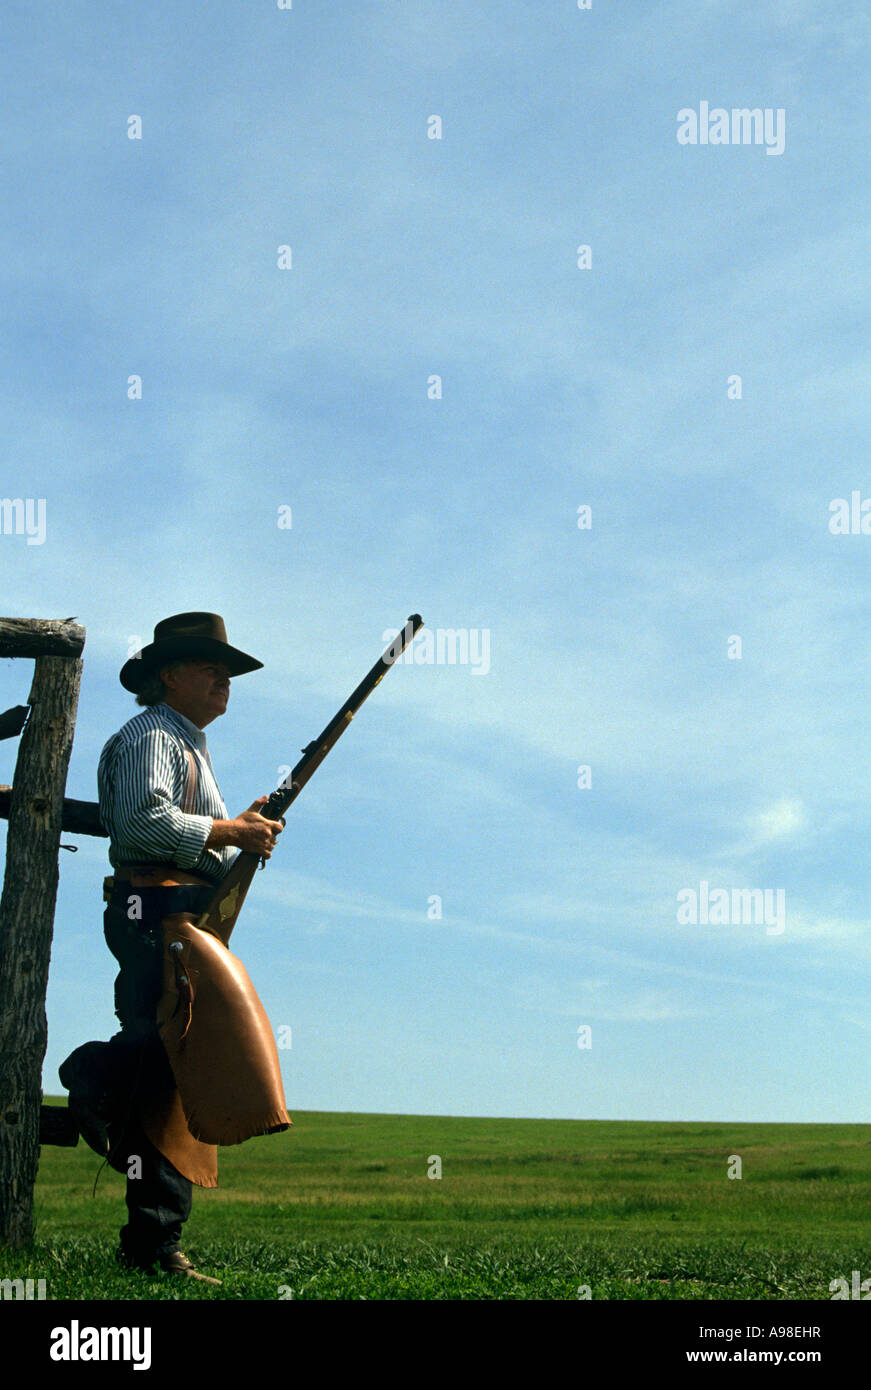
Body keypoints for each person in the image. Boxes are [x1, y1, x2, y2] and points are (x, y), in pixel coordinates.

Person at [59, 612, 284, 1283]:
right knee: (165, 1062)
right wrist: (229, 831)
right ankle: (94, 1076)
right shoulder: (149, 735)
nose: (223, 680)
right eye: (207, 666)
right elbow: (140, 825)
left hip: (172, 913)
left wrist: (239, 836)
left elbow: (187, 833)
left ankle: (152, 1244)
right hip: (148, 909)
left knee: (167, 1078)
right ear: (166, 676)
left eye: (226, 672)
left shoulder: (182, 741)